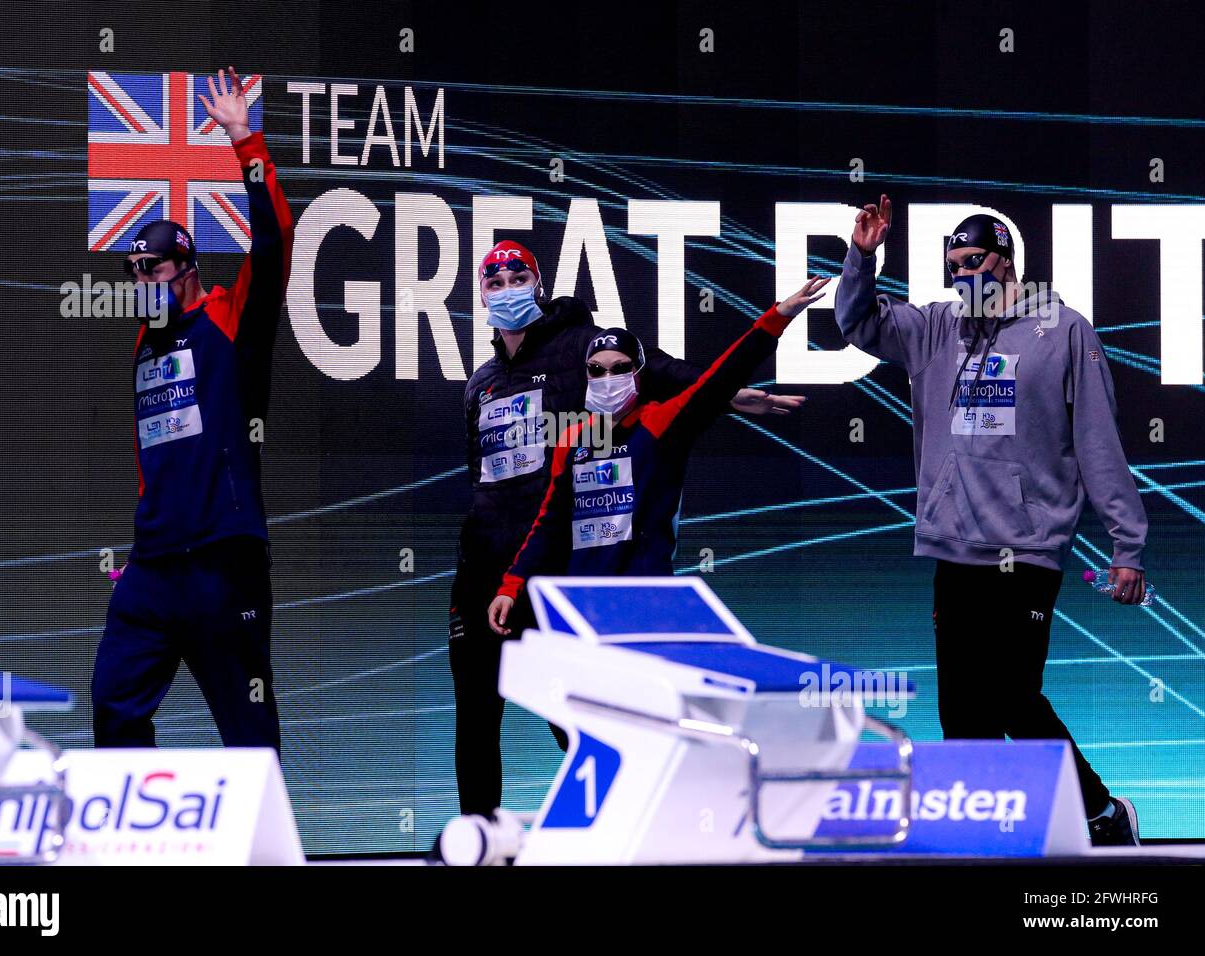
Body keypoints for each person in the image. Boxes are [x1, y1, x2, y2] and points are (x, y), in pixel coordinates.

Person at [452, 240, 806, 817]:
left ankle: (630, 827)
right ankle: (479, 839)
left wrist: (733, 396)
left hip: (562, 573)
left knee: (580, 714)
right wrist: (501, 575)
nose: (506, 287)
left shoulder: (579, 349)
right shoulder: (483, 383)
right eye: (494, 281)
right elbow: (487, 479)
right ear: (481, 295)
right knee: (475, 710)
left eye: (519, 275)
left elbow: (675, 379)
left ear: (538, 284)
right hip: (488, 568)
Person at [834, 194, 1148, 846]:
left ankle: (1100, 812)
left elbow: (1097, 443)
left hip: (1026, 550)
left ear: (1007, 263)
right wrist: (863, 256)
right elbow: (856, 324)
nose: (961, 276)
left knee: (1011, 696)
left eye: (973, 261)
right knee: (962, 711)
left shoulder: (1061, 330)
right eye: (953, 265)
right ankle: (979, 842)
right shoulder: (937, 328)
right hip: (955, 548)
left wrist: (1128, 545)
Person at [91, 68, 294, 753]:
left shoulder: (230, 323)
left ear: (185, 269)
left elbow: (272, 246)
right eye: (134, 274)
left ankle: (265, 856)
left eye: (152, 271)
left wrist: (245, 139)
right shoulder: (143, 348)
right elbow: (155, 464)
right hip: (151, 568)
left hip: (222, 561)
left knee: (247, 729)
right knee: (114, 703)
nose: (143, 285)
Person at [488, 278, 829, 633]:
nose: (608, 377)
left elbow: (720, 379)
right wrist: (511, 586)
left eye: (620, 368)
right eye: (597, 370)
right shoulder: (573, 438)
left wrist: (776, 318)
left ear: (638, 374)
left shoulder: (661, 423)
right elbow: (549, 524)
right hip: (582, 603)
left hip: (647, 599)